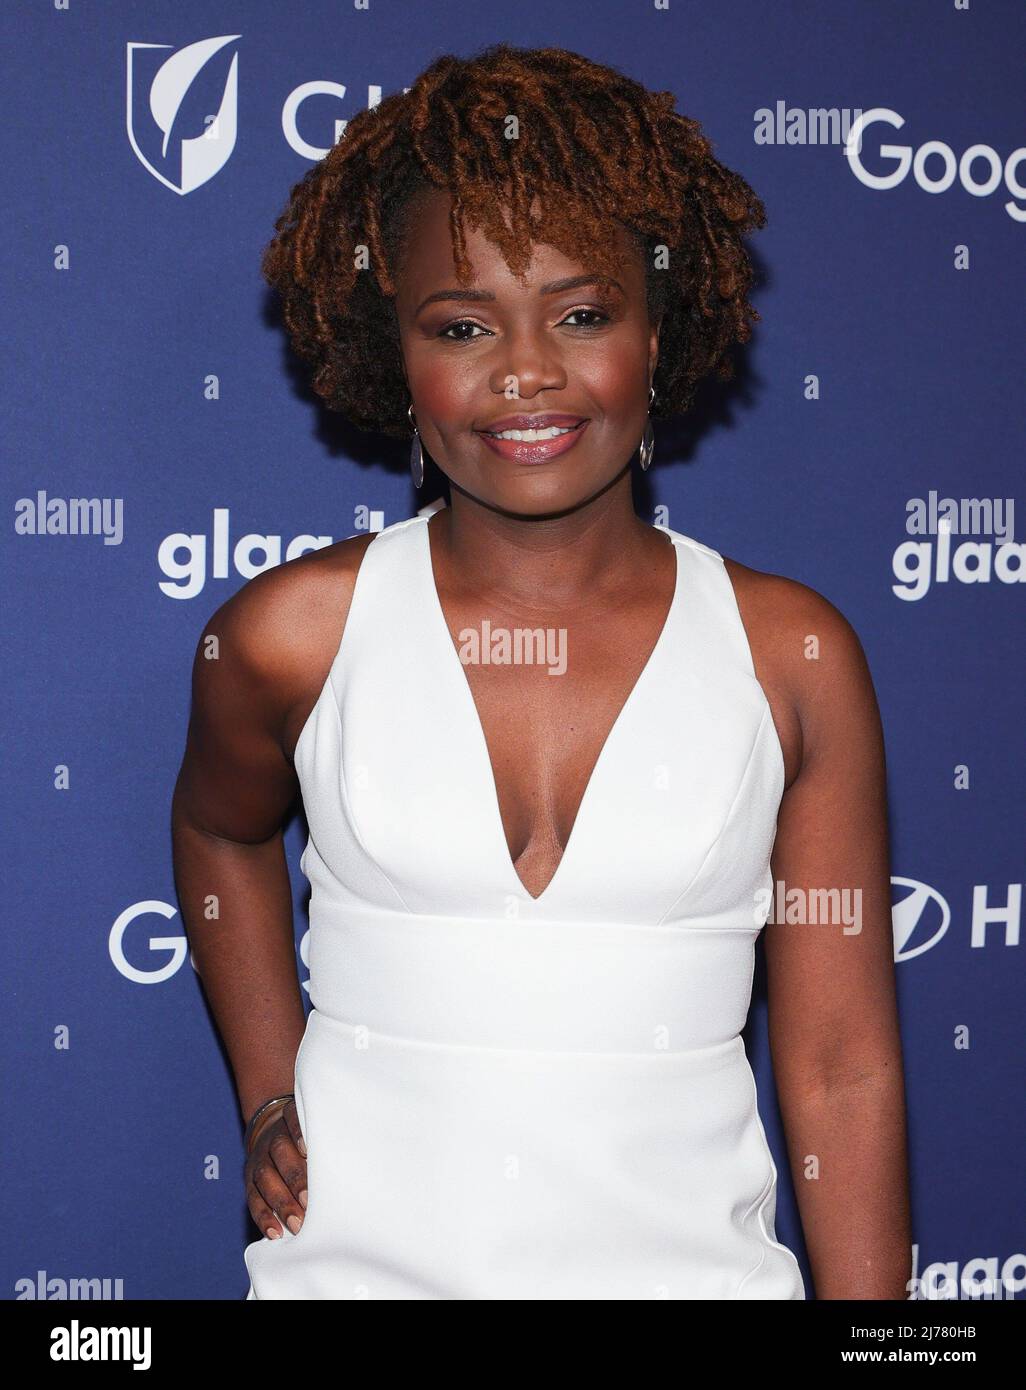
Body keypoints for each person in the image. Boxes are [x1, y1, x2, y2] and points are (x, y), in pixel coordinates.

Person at [171, 42, 911, 1300]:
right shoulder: (290, 633)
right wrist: (266, 1093)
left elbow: (841, 1062)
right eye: (461, 325)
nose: (525, 373)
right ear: (391, 350)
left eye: (581, 313)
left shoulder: (790, 656)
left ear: (661, 330)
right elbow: (217, 831)